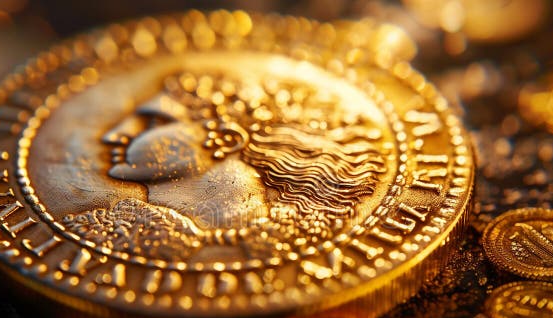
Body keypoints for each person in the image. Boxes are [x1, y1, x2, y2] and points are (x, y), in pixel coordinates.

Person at [63, 72, 387, 263]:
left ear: (226, 138)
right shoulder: (102, 232)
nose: (113, 135)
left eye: (152, 121)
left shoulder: (296, 240)